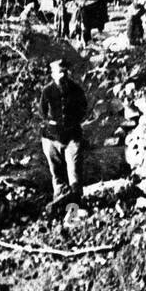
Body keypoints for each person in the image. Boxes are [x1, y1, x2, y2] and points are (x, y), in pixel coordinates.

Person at [38, 59, 88, 212]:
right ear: (53, 75)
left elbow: (83, 108)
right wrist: (53, 124)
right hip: (51, 138)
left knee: (74, 174)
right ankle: (59, 205)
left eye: (64, 72)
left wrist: (72, 122)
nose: (62, 76)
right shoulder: (47, 91)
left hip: (72, 137)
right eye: (59, 73)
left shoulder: (76, 89)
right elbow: (42, 112)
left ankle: (75, 207)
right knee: (57, 173)